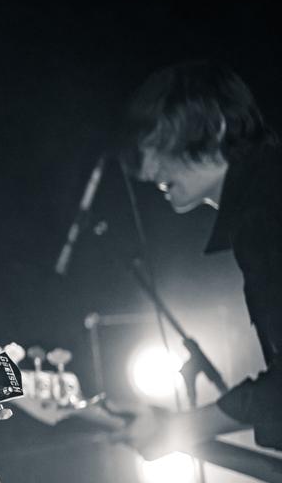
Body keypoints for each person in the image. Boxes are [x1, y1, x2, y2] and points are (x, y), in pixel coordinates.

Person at [119, 61, 282, 458]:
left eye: (157, 140)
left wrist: (183, 428)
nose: (145, 166)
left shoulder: (265, 215)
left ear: (214, 127)